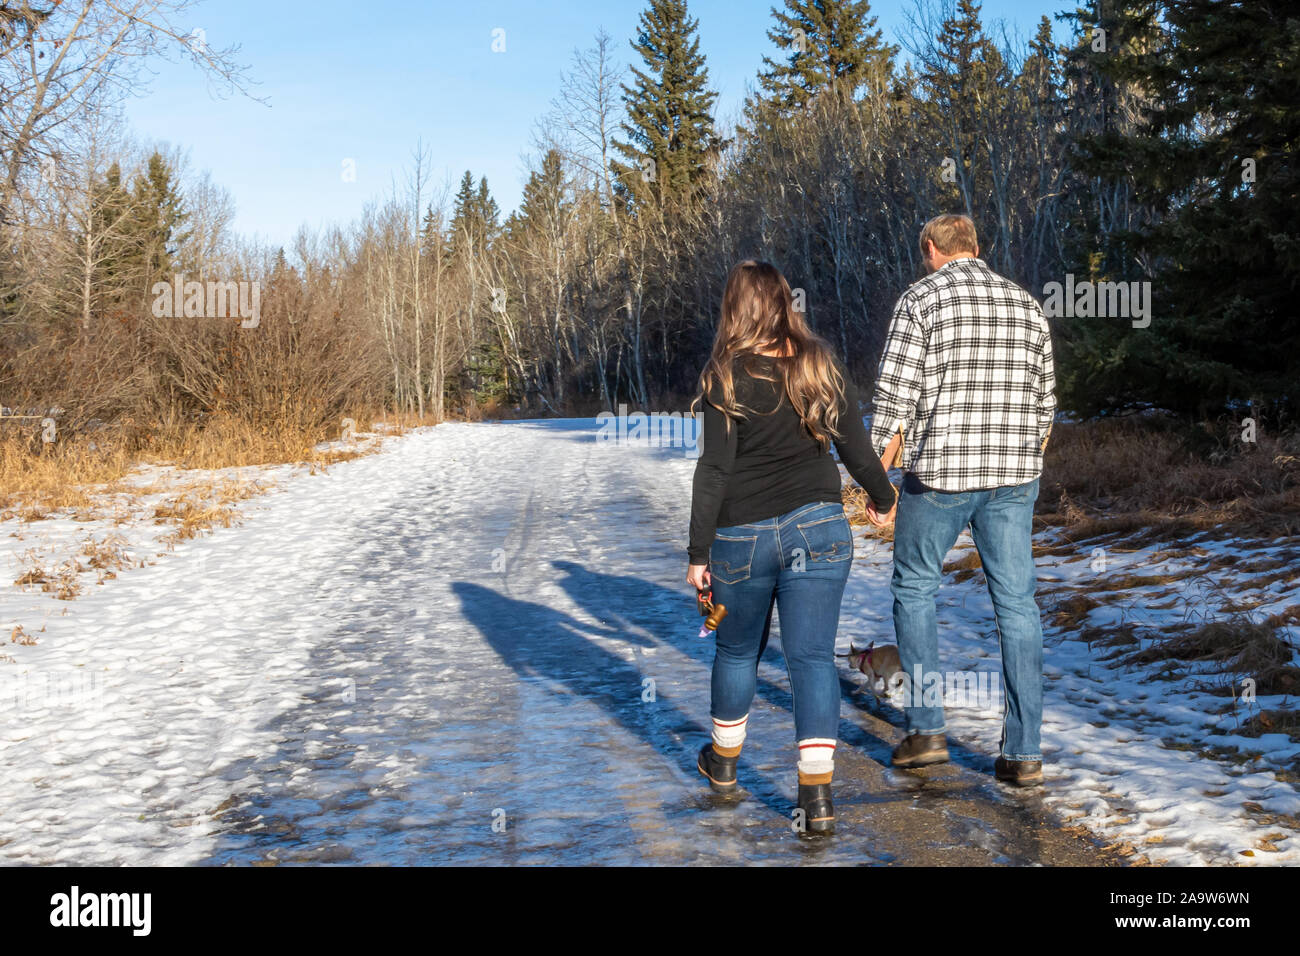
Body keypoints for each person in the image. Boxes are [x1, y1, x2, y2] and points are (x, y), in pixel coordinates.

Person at [687, 260, 897, 834]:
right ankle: (817, 799)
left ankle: (724, 769)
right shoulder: (819, 363)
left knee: (734, 653)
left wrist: (697, 553)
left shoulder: (724, 374)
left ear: (736, 308)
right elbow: (855, 443)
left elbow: (713, 470)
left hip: (742, 536)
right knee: (809, 659)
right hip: (818, 528)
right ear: (785, 302)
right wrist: (882, 496)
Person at [868, 214, 1057, 787]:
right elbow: (1046, 402)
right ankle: (1024, 754)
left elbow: (894, 398)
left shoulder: (920, 302)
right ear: (977, 247)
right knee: (1018, 606)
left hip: (941, 476)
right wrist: (1027, 459)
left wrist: (879, 483)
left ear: (930, 249)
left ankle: (926, 730)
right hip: (1013, 476)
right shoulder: (1025, 304)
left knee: (916, 586)